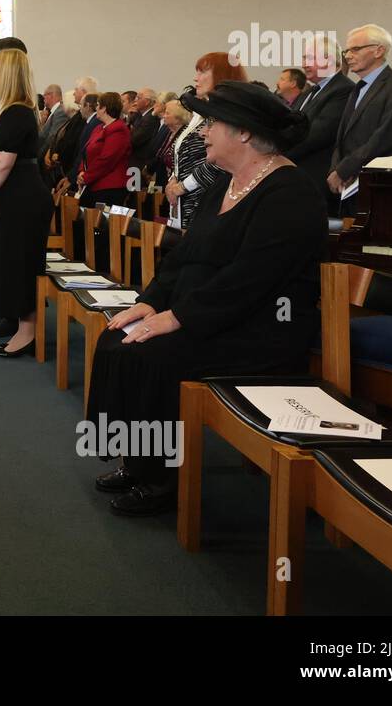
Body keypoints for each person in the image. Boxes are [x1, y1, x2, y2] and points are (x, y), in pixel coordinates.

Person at [90, 81, 322, 516]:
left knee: (151, 353)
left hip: (259, 327)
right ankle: (136, 460)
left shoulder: (290, 193)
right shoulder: (229, 183)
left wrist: (179, 317)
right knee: (117, 336)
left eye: (213, 123)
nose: (202, 131)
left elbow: (251, 280)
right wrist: (150, 302)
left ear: (246, 132)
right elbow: (185, 255)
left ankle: (159, 479)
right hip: (211, 314)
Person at [0, 47, 55, 359]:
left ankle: (27, 333)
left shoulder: (16, 112)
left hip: (23, 199)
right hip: (19, 197)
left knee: (21, 264)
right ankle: (24, 328)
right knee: (13, 262)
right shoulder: (17, 110)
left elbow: (2, 163)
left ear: (6, 77)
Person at [328, 24, 392, 210]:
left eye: (355, 49)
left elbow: (387, 135)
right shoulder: (357, 87)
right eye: (347, 51)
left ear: (379, 50)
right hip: (349, 183)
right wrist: (336, 168)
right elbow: (342, 135)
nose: (348, 56)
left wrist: (345, 169)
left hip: (379, 182)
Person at [165, 52, 247, 228]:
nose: (196, 78)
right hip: (187, 200)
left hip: (208, 199)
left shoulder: (225, 115)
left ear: (221, 76)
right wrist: (173, 179)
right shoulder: (200, 113)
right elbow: (182, 151)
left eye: (202, 72)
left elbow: (220, 161)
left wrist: (183, 186)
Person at [286, 35, 354, 204]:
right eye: (304, 58)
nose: (304, 64)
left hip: (315, 177)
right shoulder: (310, 92)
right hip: (294, 174)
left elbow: (318, 134)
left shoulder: (344, 89)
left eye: (310, 58)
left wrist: (277, 152)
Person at [77, 92, 132, 208]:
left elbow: (107, 159)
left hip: (109, 187)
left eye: (98, 105)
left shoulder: (118, 129)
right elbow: (86, 152)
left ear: (104, 108)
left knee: (100, 224)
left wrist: (86, 177)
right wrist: (82, 171)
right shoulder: (98, 128)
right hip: (93, 183)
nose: (96, 108)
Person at [127, 88, 160, 174]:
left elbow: (134, 140)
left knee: (135, 187)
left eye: (138, 98)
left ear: (147, 102)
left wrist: (130, 131)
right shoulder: (139, 115)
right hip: (135, 161)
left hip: (140, 162)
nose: (135, 101)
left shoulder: (150, 118)